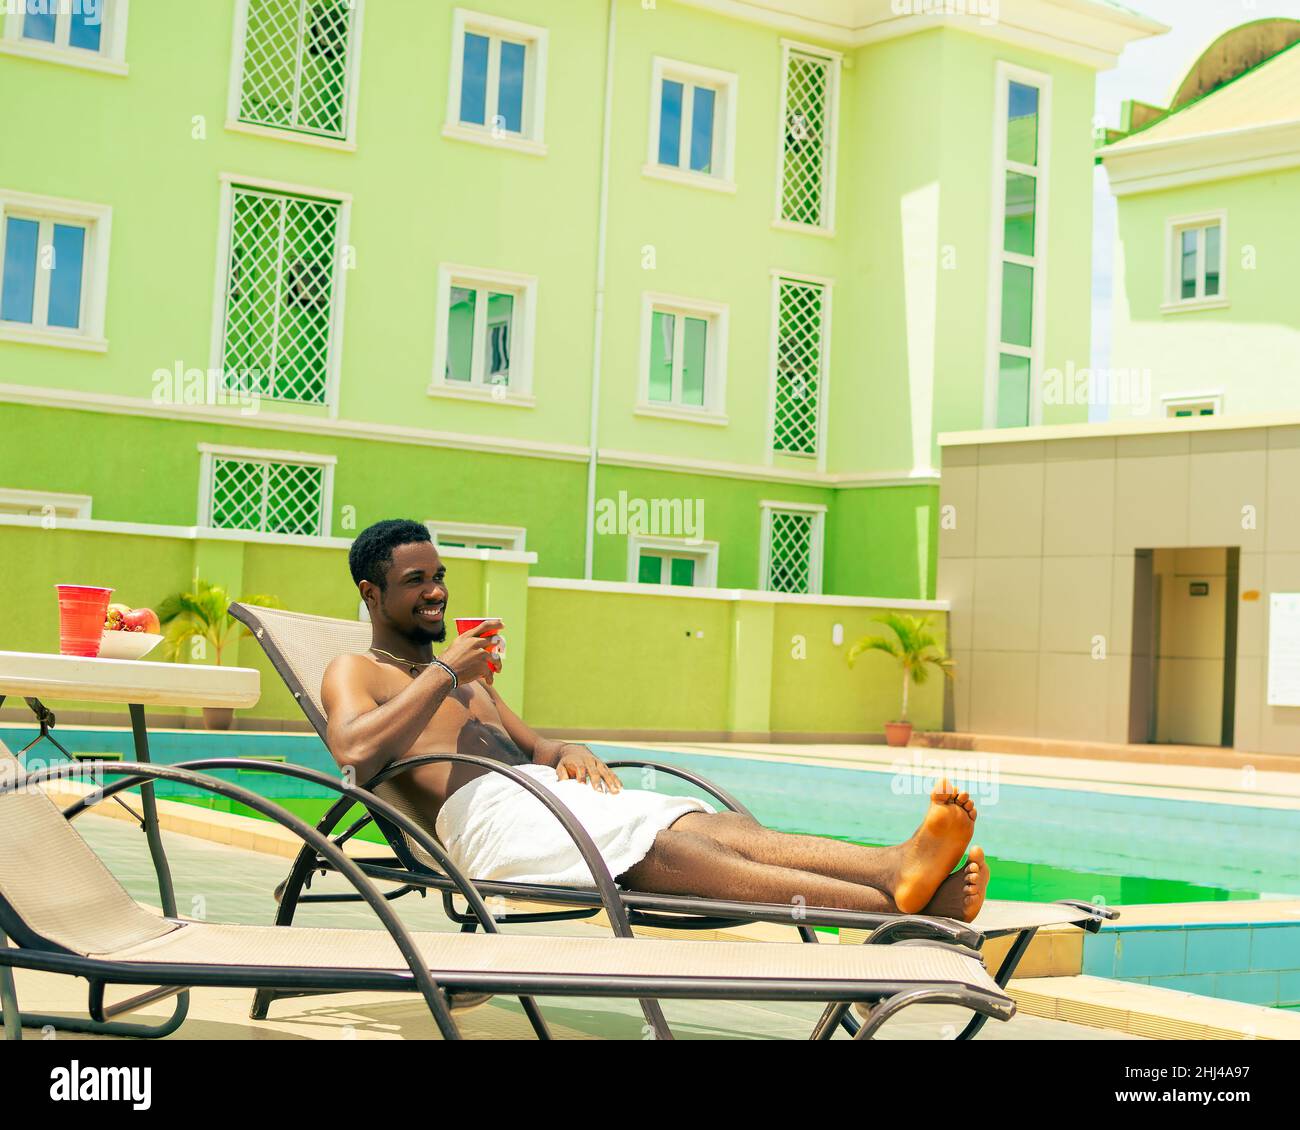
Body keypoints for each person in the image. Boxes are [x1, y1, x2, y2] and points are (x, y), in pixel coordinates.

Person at [322, 519, 990, 921]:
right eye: (416, 580)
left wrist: (569, 750)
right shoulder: (359, 671)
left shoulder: (469, 683)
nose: (436, 590)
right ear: (372, 592)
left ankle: (894, 868)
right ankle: (893, 902)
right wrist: (445, 673)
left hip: (547, 799)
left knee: (708, 825)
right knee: (668, 851)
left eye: (439, 575)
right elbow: (350, 752)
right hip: (488, 827)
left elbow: (536, 745)